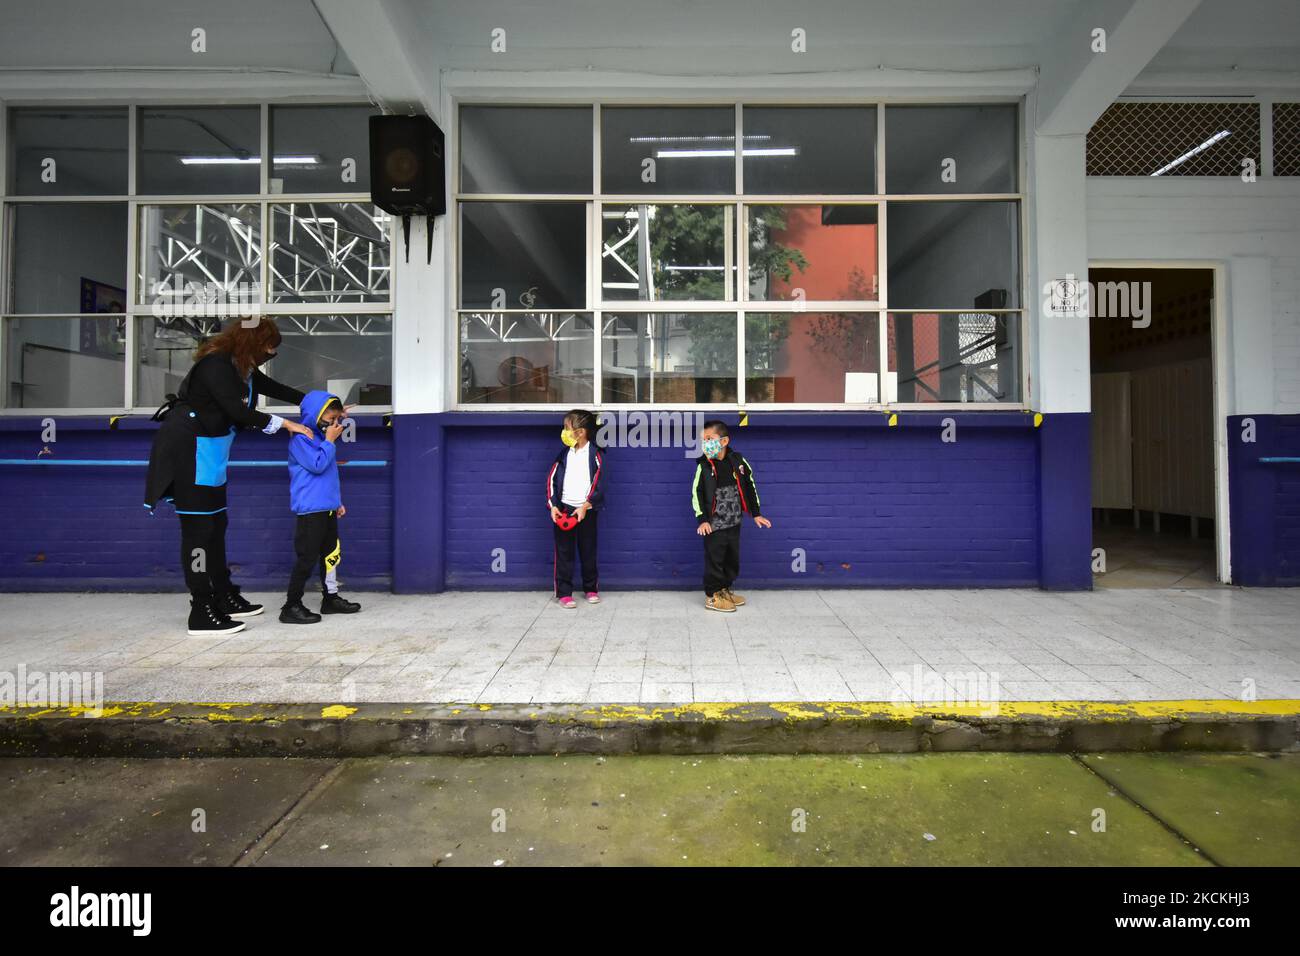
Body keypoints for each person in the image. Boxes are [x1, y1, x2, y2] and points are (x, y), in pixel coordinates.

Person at [143, 317, 315, 636]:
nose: (270, 353)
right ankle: (201, 608)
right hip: (188, 452)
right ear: (252, 343)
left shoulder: (242, 367)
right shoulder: (216, 366)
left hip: (211, 454)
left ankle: (223, 594)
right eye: (268, 347)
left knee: (216, 525)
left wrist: (319, 404)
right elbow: (238, 412)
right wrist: (286, 425)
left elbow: (274, 389)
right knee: (198, 529)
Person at [280, 391, 362, 624]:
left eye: (335, 418)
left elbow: (328, 475)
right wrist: (329, 440)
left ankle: (331, 598)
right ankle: (291, 605)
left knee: (330, 556)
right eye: (329, 416)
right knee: (307, 558)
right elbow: (317, 465)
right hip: (310, 510)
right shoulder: (301, 439)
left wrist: (336, 503)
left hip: (326, 507)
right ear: (314, 415)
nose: (332, 422)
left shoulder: (319, 438)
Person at [691, 420, 771, 612]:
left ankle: (724, 590)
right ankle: (712, 596)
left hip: (734, 522)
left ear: (724, 441)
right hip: (714, 525)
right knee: (715, 559)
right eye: (703, 440)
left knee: (731, 559)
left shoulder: (738, 462)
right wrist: (702, 520)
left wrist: (756, 513)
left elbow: (750, 486)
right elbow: (697, 493)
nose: (705, 444)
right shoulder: (704, 466)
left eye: (709, 439)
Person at [546, 409, 606, 608]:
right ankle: (564, 592)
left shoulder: (595, 454)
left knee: (588, 551)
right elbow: (552, 481)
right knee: (564, 553)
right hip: (564, 511)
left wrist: (586, 506)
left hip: (586, 513)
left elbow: (599, 483)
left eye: (567, 428)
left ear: (581, 432)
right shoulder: (564, 454)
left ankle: (591, 589)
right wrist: (553, 505)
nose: (564, 432)